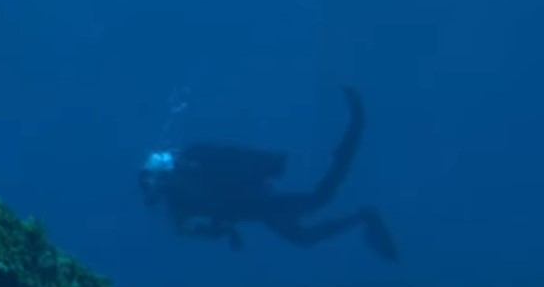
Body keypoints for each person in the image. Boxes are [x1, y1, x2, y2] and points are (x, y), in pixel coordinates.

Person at [137, 85, 399, 261]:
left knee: (319, 203)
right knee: (310, 224)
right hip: (262, 210)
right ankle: (363, 216)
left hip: (264, 206)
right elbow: (189, 228)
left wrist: (223, 228)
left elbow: (209, 209)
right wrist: (224, 231)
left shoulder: (194, 174)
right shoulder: (178, 200)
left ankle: (356, 129)